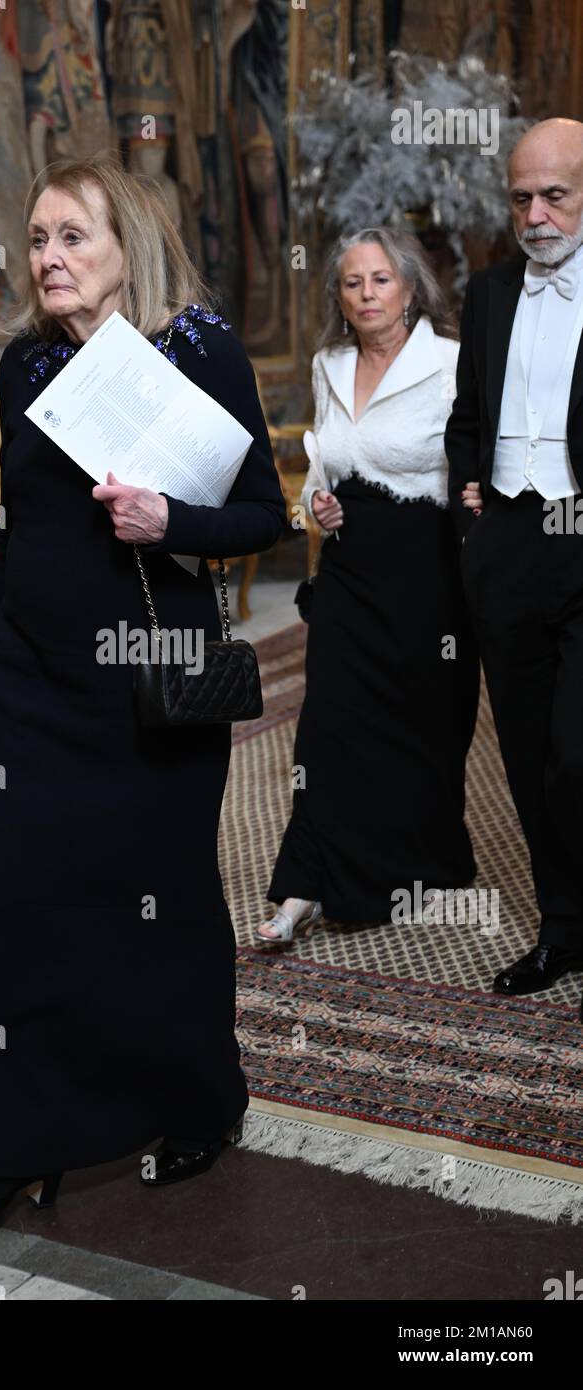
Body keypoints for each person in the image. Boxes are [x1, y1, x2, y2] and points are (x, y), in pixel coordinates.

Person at [0, 153, 287, 1225]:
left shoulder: (195, 348)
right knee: (19, 909)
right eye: (35, 239)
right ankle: (11, 1143)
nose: (46, 257)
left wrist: (168, 524)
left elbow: (263, 513)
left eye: (69, 237)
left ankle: (194, 1105)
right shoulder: (21, 367)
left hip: (154, 685)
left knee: (160, 908)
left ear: (124, 246)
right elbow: (22, 527)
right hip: (35, 693)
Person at [259, 226, 480, 939]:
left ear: (411, 289)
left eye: (381, 279)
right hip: (350, 570)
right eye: (352, 283)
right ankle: (307, 882)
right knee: (329, 723)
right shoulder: (328, 364)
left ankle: (428, 863)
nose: (366, 294)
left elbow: (471, 464)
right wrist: (314, 507)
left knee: (426, 727)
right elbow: (323, 471)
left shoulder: (452, 362)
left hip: (429, 572)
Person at [445, 118, 583, 1015]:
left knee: (578, 756)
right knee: (529, 759)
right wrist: (467, 489)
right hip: (506, 547)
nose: (535, 214)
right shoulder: (491, 292)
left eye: (555, 195)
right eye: (522, 197)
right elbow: (466, 416)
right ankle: (562, 930)